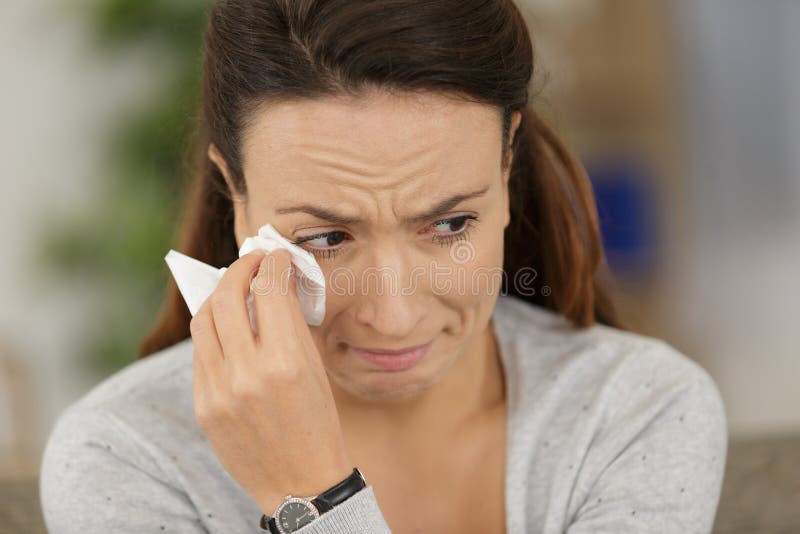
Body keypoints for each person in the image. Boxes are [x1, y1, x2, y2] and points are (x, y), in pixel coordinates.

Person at [38, 1, 728, 533]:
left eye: (450, 224)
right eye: (327, 237)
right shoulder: (129, 456)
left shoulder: (634, 414)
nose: (394, 316)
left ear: (507, 162)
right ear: (236, 196)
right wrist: (310, 491)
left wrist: (314, 499)